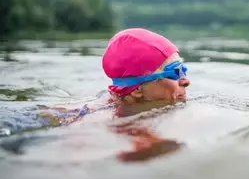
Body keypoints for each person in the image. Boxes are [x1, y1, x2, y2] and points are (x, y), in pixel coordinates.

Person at [40, 28, 191, 162]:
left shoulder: (130, 109)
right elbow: (72, 152)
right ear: (137, 89)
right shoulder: (104, 117)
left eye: (184, 69)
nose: (186, 81)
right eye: (176, 72)